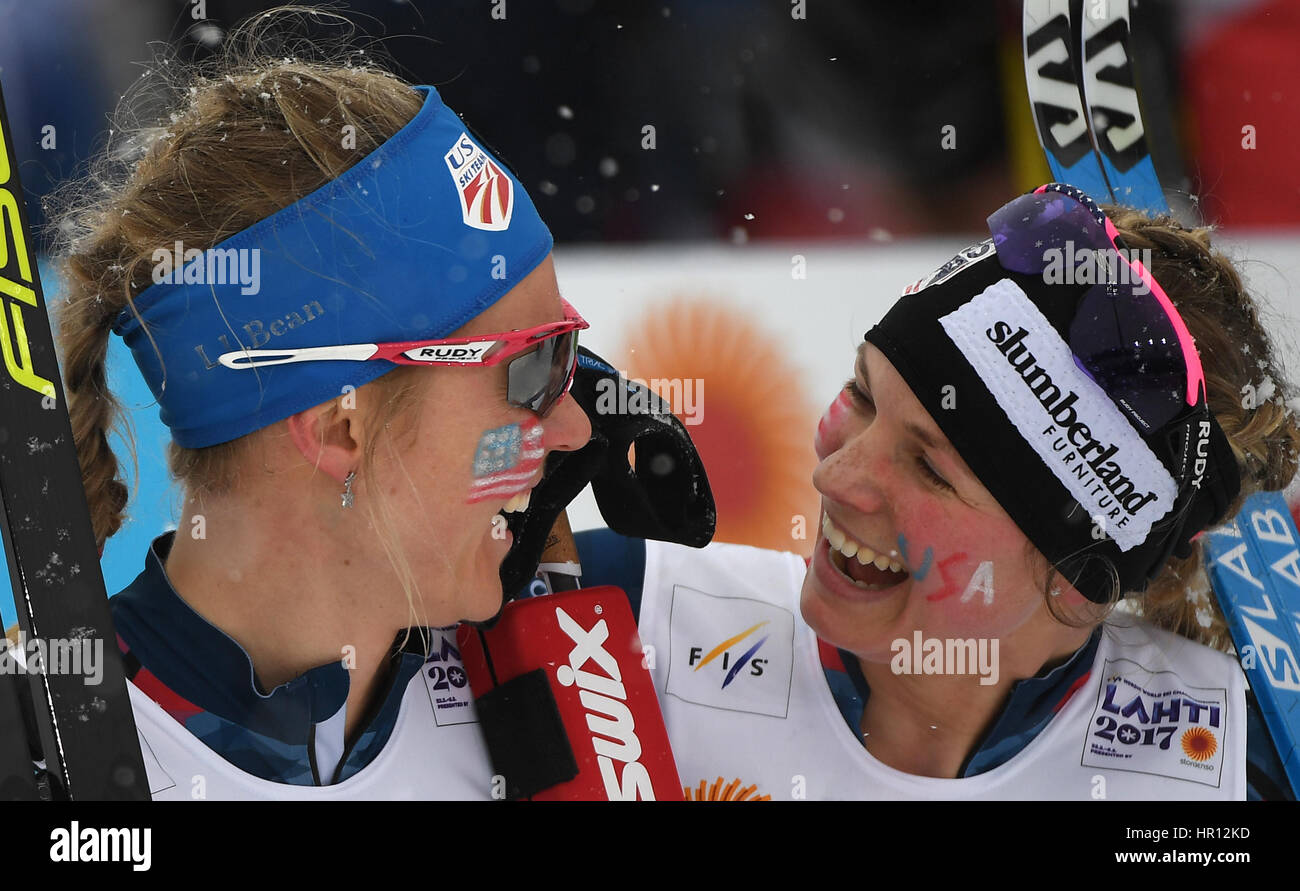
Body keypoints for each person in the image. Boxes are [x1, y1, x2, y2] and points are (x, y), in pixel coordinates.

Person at [577, 183, 1300, 800]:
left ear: (1078, 586)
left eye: (930, 470)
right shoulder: (624, 621)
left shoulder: (1222, 767)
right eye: (862, 394)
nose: (838, 475)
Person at [51, 17, 591, 799]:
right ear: (341, 426)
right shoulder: (60, 755)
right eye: (536, 368)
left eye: (572, 350)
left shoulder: (604, 637)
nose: (573, 428)